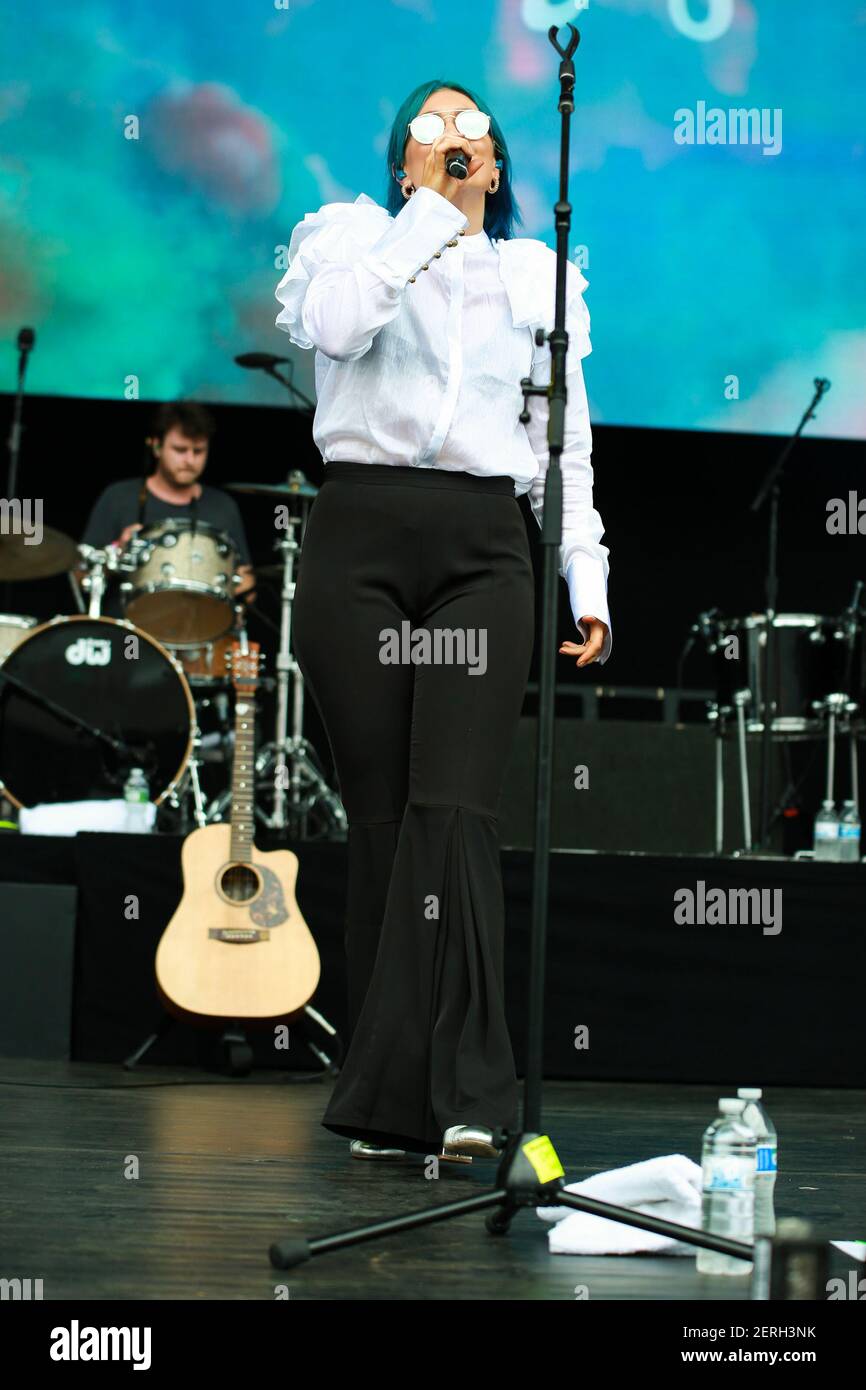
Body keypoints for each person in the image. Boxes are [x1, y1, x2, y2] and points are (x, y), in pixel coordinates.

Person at [275, 80, 611, 1162]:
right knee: (378, 822)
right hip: (360, 538)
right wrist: (425, 216)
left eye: (474, 131)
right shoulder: (349, 237)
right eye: (432, 128)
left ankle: (468, 1089)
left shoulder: (535, 275)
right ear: (398, 157)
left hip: (480, 544)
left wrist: (585, 579)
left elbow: (563, 446)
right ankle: (383, 1099)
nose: (456, 142)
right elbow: (334, 326)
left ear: (502, 165)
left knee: (450, 808)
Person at [80, 401, 255, 610]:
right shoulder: (118, 497)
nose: (190, 460)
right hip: (129, 635)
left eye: (198, 451)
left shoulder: (223, 507)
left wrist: (233, 589)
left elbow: (247, 583)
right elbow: (81, 575)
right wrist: (118, 551)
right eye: (180, 450)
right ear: (156, 446)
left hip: (199, 632)